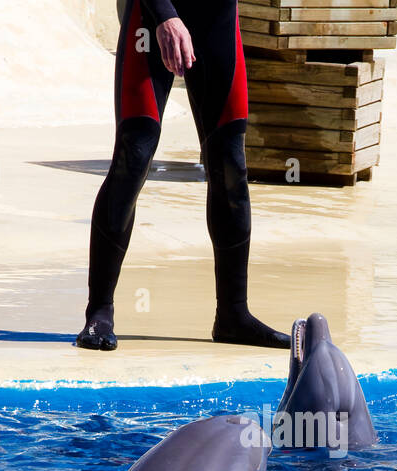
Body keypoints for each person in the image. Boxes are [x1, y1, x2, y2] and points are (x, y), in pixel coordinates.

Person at [77, 0, 290, 352]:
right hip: (150, 16)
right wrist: (165, 15)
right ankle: (99, 313)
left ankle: (233, 316)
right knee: (135, 154)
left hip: (216, 19)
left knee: (230, 163)